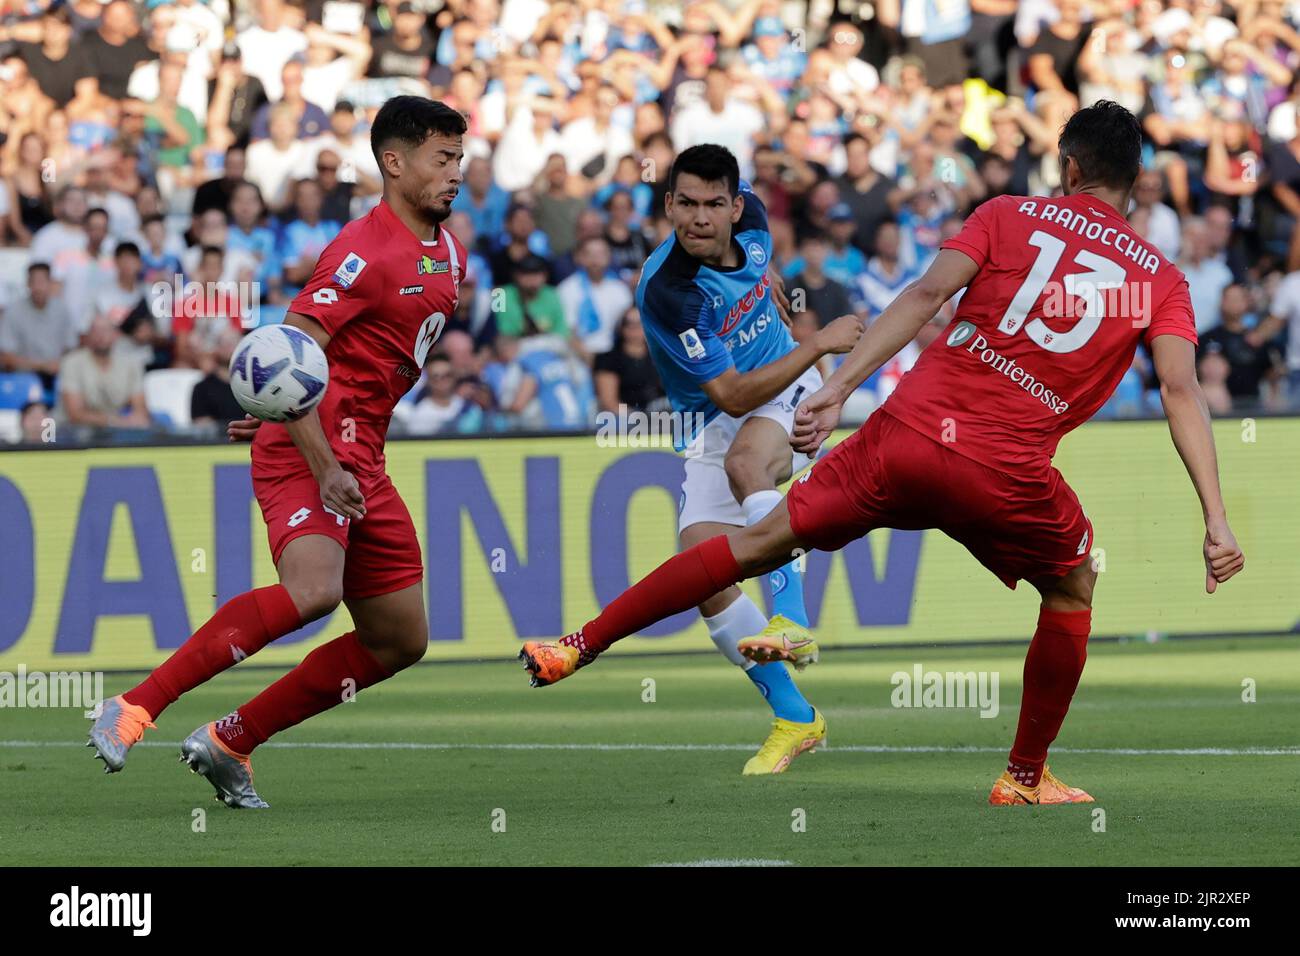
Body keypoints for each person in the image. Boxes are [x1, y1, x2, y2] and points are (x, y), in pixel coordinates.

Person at [519, 103, 1245, 804]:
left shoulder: (1002, 215)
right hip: (1007, 474)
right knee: (1072, 587)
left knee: (753, 545)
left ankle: (579, 643)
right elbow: (1181, 390)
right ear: (1138, 182)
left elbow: (925, 294)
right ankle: (1024, 777)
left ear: (1067, 165)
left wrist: (836, 388)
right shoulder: (1161, 279)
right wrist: (1215, 521)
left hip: (903, 439)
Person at [88, 96, 469, 811]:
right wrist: (309, 448)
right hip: (315, 450)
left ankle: (232, 738)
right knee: (315, 590)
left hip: (360, 457)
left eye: (459, 159)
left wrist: (286, 420)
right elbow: (283, 351)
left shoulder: (450, 252)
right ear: (394, 162)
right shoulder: (362, 253)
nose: (456, 173)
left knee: (400, 638)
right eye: (441, 159)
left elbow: (357, 366)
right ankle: (134, 706)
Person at [525, 144, 865, 776]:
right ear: (668, 206)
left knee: (748, 466)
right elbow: (731, 394)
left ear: (738, 207)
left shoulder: (757, 226)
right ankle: (796, 717)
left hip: (777, 390)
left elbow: (770, 289)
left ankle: (790, 617)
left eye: (715, 204)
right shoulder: (669, 291)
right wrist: (820, 345)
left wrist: (821, 379)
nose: (700, 218)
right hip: (721, 414)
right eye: (687, 203)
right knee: (706, 576)